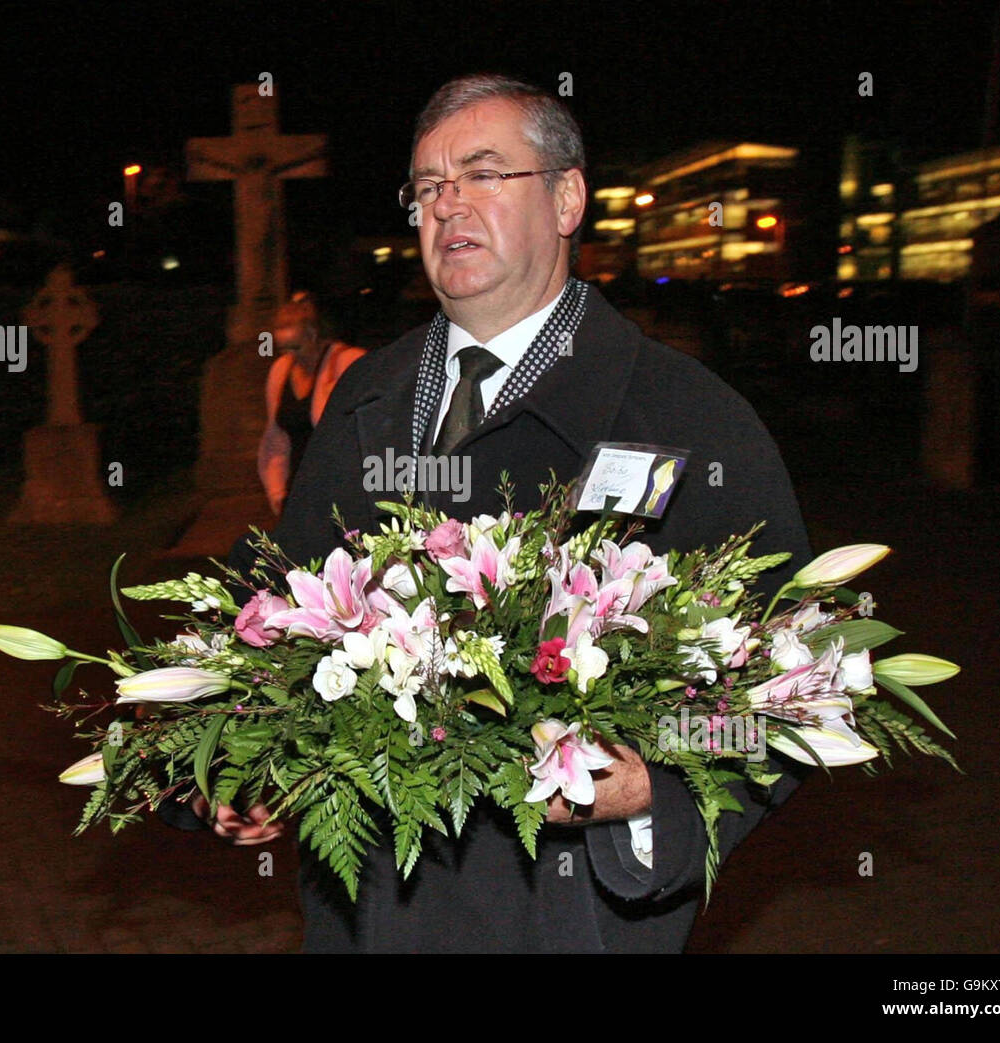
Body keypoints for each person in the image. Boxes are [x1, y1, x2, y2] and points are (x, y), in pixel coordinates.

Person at [162, 74, 814, 953]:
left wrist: (647, 788)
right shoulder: (366, 398)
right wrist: (231, 761)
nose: (448, 205)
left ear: (567, 197)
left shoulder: (683, 416)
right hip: (369, 922)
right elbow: (280, 608)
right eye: (427, 187)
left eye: (481, 173)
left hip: (570, 921)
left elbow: (784, 695)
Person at [258, 291, 366, 514]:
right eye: (284, 348)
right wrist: (277, 493)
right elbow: (275, 439)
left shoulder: (348, 362)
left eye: (295, 347)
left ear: (312, 333)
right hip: (298, 492)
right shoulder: (280, 370)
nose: (291, 356)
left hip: (344, 491)